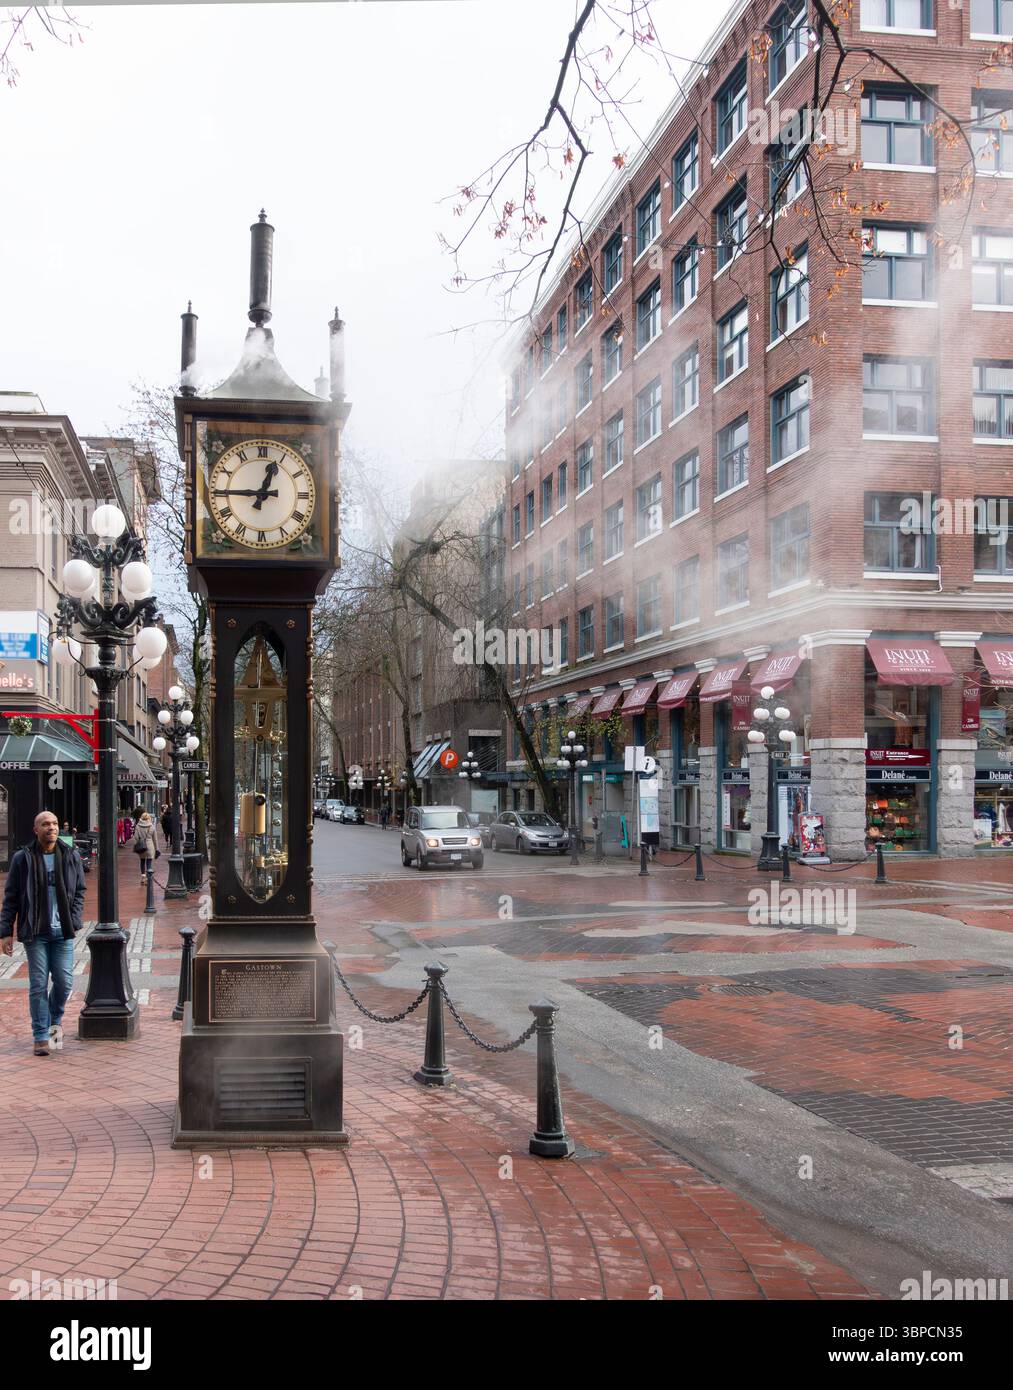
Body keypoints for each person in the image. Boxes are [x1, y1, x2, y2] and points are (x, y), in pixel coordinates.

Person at [0, 810, 86, 1056]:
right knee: (38, 984)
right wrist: (6, 931)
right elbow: (11, 896)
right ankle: (40, 1035)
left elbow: (80, 889)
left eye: (55, 823)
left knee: (64, 982)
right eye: (46, 824)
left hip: (63, 932)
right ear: (35, 829)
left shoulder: (70, 854)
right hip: (35, 931)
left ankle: (53, 1021)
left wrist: (75, 917)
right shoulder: (22, 858)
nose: (52, 827)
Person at [132, 810, 157, 881]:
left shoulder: (138, 826)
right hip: (149, 847)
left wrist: (136, 845)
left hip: (141, 847)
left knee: (142, 861)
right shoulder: (151, 826)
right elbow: (155, 839)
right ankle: (149, 877)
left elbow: (136, 838)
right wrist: (157, 848)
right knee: (149, 862)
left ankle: (143, 877)